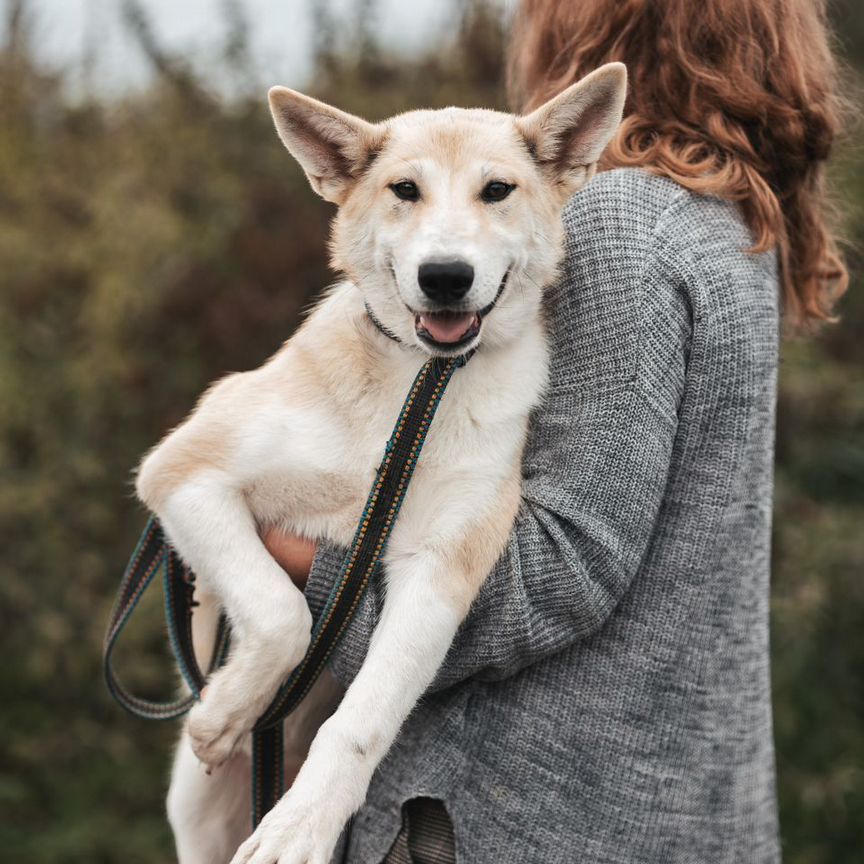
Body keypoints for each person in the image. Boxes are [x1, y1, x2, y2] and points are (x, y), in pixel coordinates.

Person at [264, 0, 848, 860]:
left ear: (578, 29)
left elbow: (558, 569)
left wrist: (295, 559)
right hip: (672, 795)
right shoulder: (729, 226)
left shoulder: (621, 229)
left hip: (525, 805)